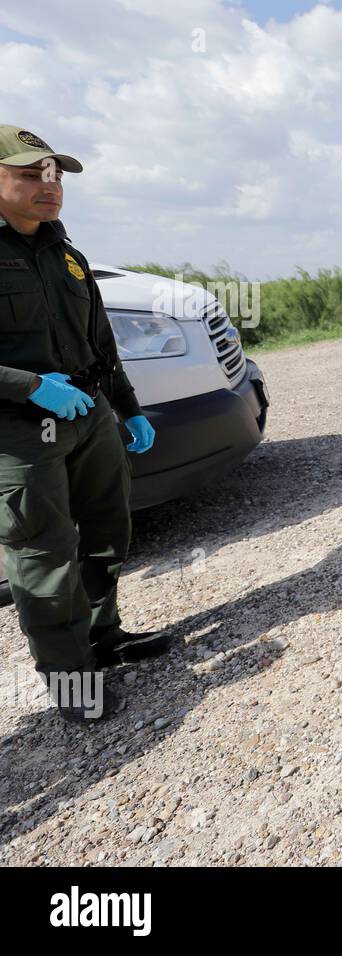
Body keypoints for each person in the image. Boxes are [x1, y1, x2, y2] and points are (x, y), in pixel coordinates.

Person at [0, 124, 168, 723]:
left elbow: (102, 343)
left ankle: (104, 637)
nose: (49, 187)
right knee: (44, 556)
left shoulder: (69, 256)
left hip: (88, 416)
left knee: (106, 530)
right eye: (29, 174)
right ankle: (71, 682)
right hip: (19, 430)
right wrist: (31, 386)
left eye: (55, 176)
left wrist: (127, 408)